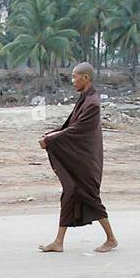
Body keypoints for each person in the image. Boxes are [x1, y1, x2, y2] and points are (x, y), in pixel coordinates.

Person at [40, 62, 117, 253]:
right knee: (69, 195)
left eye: (75, 77)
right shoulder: (85, 99)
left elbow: (78, 130)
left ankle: (111, 239)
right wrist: (52, 134)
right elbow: (69, 126)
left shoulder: (92, 103)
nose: (72, 81)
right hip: (79, 159)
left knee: (91, 197)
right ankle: (58, 242)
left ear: (86, 78)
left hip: (85, 161)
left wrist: (51, 139)